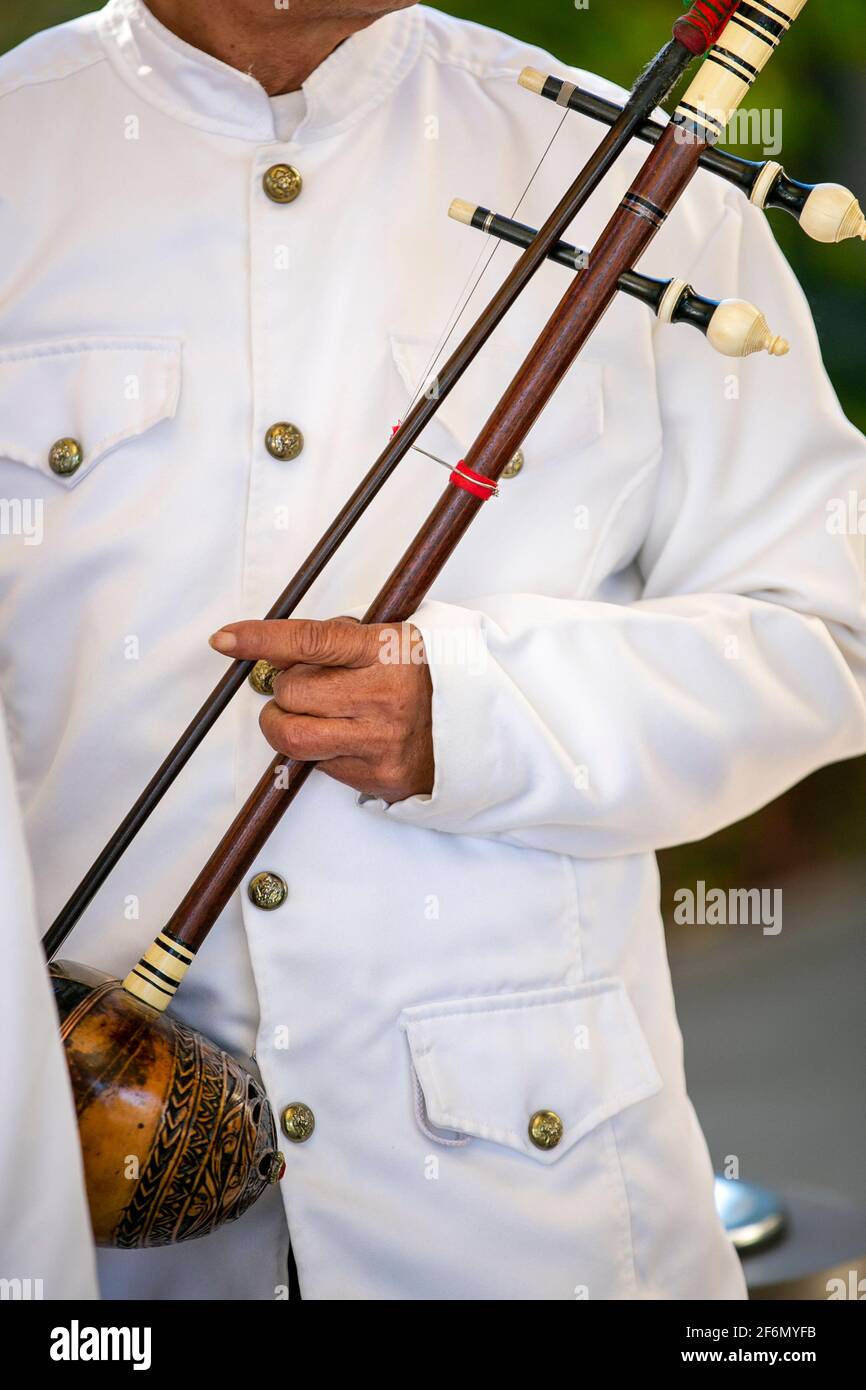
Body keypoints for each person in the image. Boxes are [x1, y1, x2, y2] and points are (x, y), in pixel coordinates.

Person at [0, 0, 864, 1300]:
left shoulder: (652, 180)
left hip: (532, 1209)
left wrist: (477, 710)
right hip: (81, 1222)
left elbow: (831, 623)